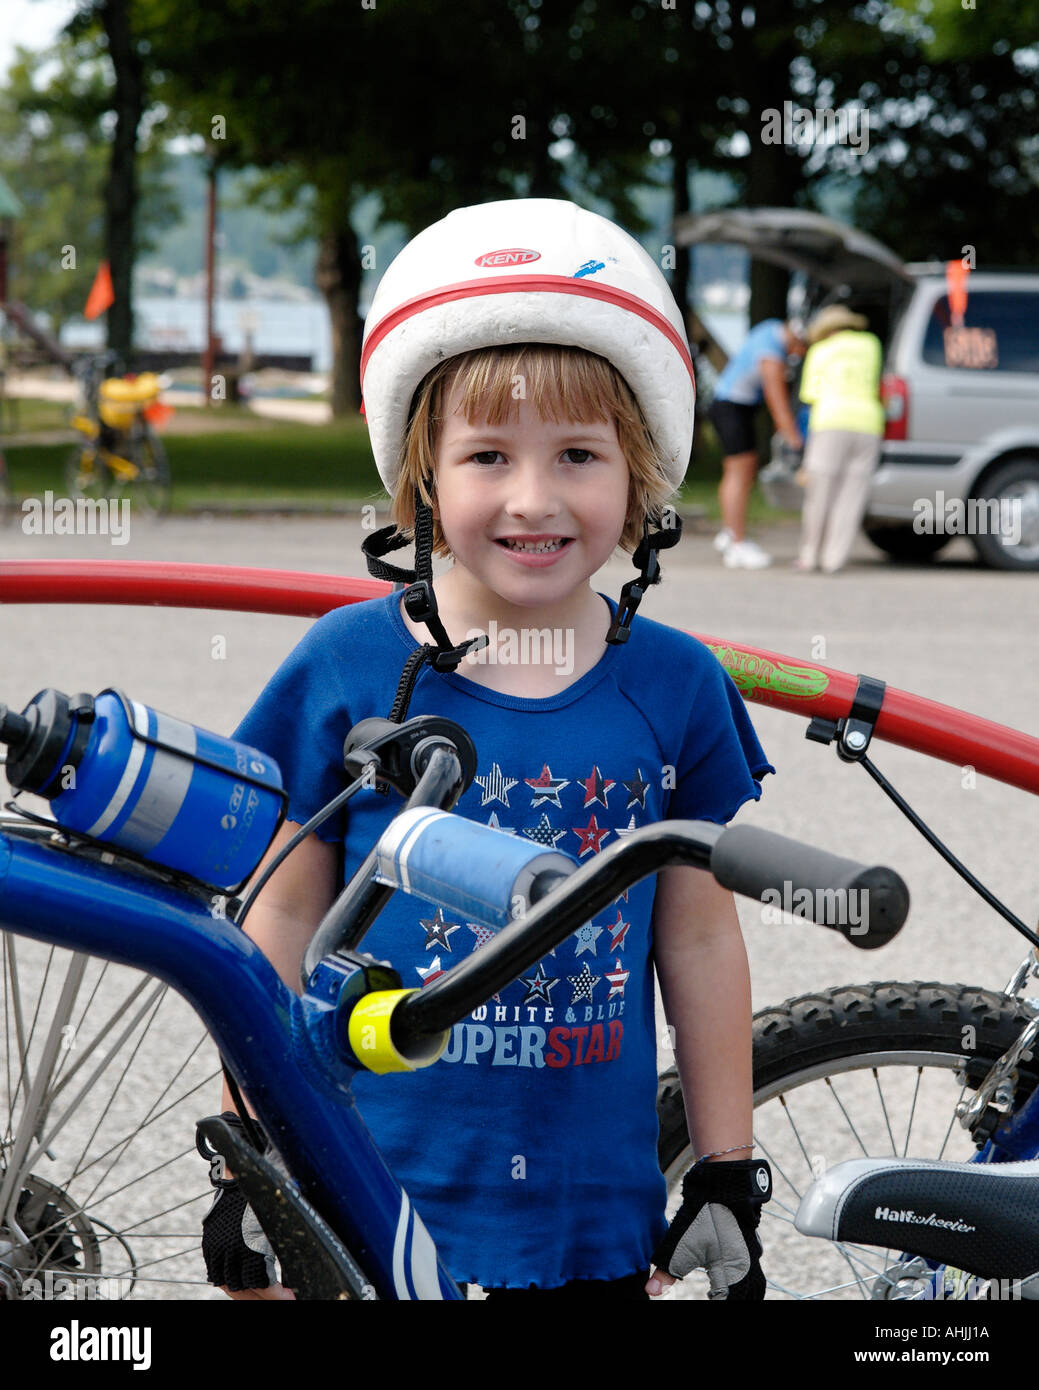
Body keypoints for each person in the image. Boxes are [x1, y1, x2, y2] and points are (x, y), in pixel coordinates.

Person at [201, 198, 775, 1300]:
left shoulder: (674, 686)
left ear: (639, 477)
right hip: (357, 1196)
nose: (532, 498)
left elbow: (698, 943)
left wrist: (726, 1169)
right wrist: (247, 1155)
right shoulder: (344, 667)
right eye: (485, 455)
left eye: (577, 454)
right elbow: (273, 918)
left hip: (587, 1225)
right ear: (421, 476)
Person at [709, 318, 806, 568]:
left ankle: (730, 533)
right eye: (800, 349)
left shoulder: (771, 329)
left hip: (732, 406)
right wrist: (796, 442)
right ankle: (737, 544)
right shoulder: (771, 354)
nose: (798, 355)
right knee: (740, 472)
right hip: (732, 408)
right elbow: (778, 403)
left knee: (740, 470)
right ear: (796, 339)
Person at [794, 306, 884, 573]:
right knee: (852, 495)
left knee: (819, 493)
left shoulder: (820, 350)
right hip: (869, 423)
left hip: (831, 420)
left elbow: (810, 395)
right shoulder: (871, 344)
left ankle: (810, 556)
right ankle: (835, 560)